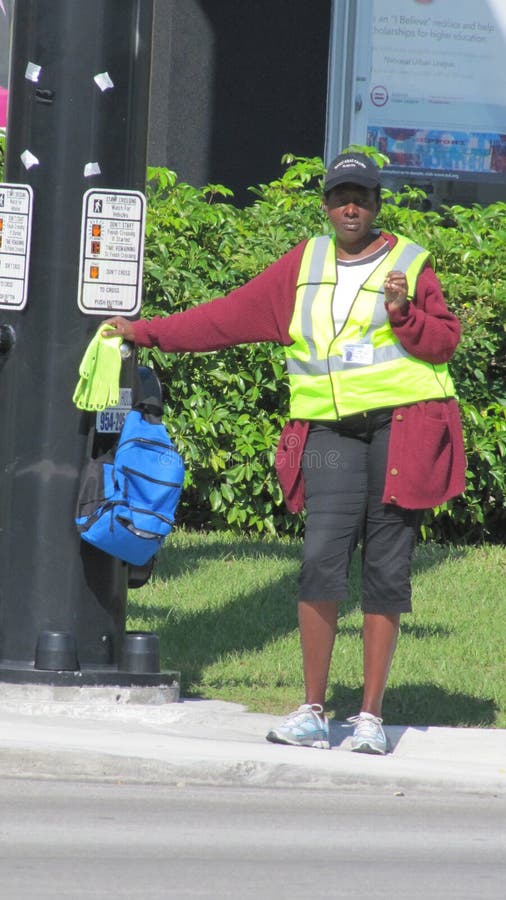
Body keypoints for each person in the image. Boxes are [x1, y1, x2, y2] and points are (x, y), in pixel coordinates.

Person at [104, 151, 466, 755]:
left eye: (362, 197)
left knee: (385, 568)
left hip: (401, 431)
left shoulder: (410, 263)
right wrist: (148, 331)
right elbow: (227, 318)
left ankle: (371, 719)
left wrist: (403, 315)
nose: (351, 207)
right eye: (339, 196)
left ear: (378, 205)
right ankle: (312, 711)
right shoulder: (306, 262)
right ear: (325, 204)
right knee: (321, 558)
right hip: (328, 435)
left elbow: (444, 344)